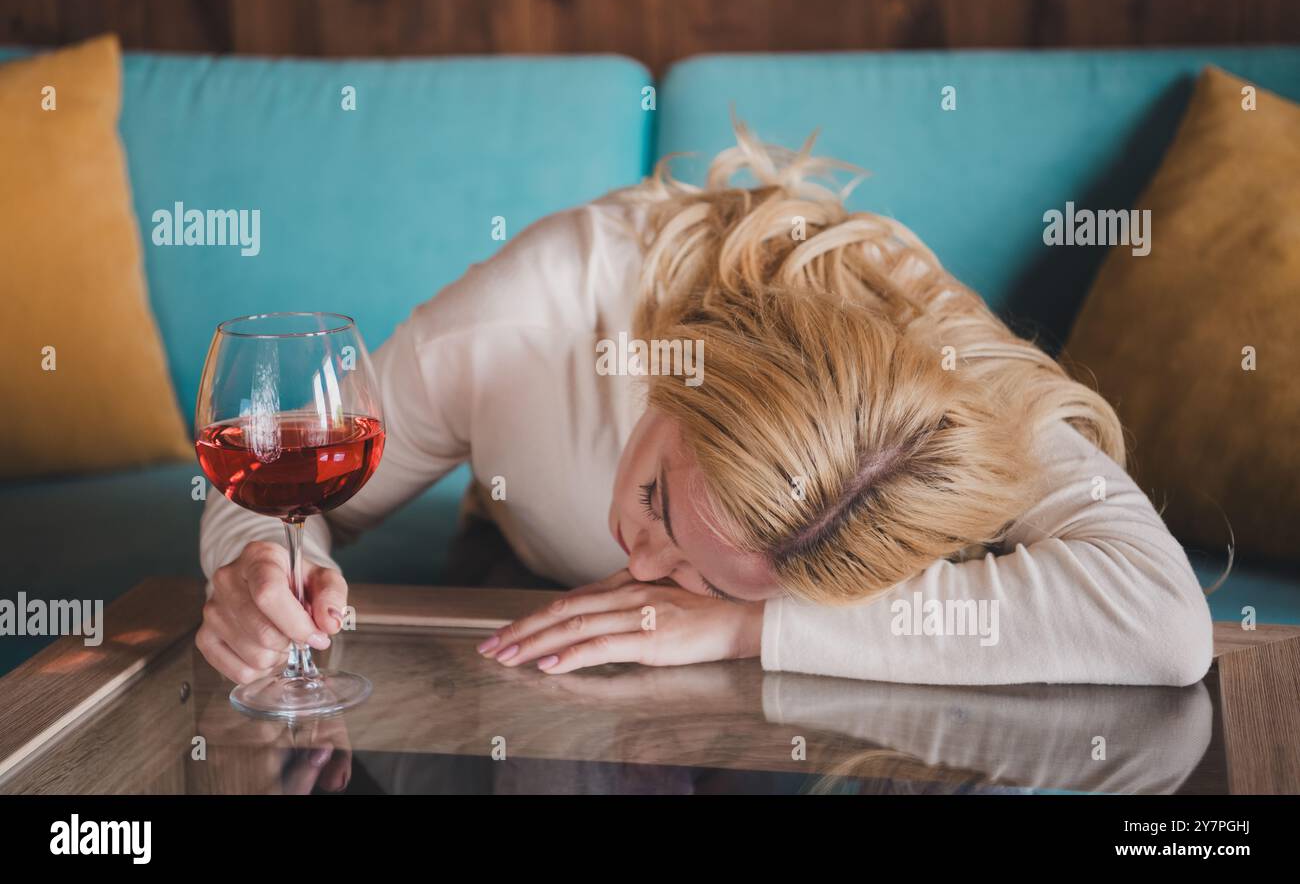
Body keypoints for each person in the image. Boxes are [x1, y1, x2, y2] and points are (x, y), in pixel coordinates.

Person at [198, 122, 1213, 688]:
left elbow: (1162, 625)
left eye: (742, 582)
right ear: (678, 377)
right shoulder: (533, 312)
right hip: (539, 635)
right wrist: (263, 569)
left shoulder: (945, 376)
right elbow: (282, 499)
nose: (646, 571)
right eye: (659, 506)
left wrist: (740, 632)